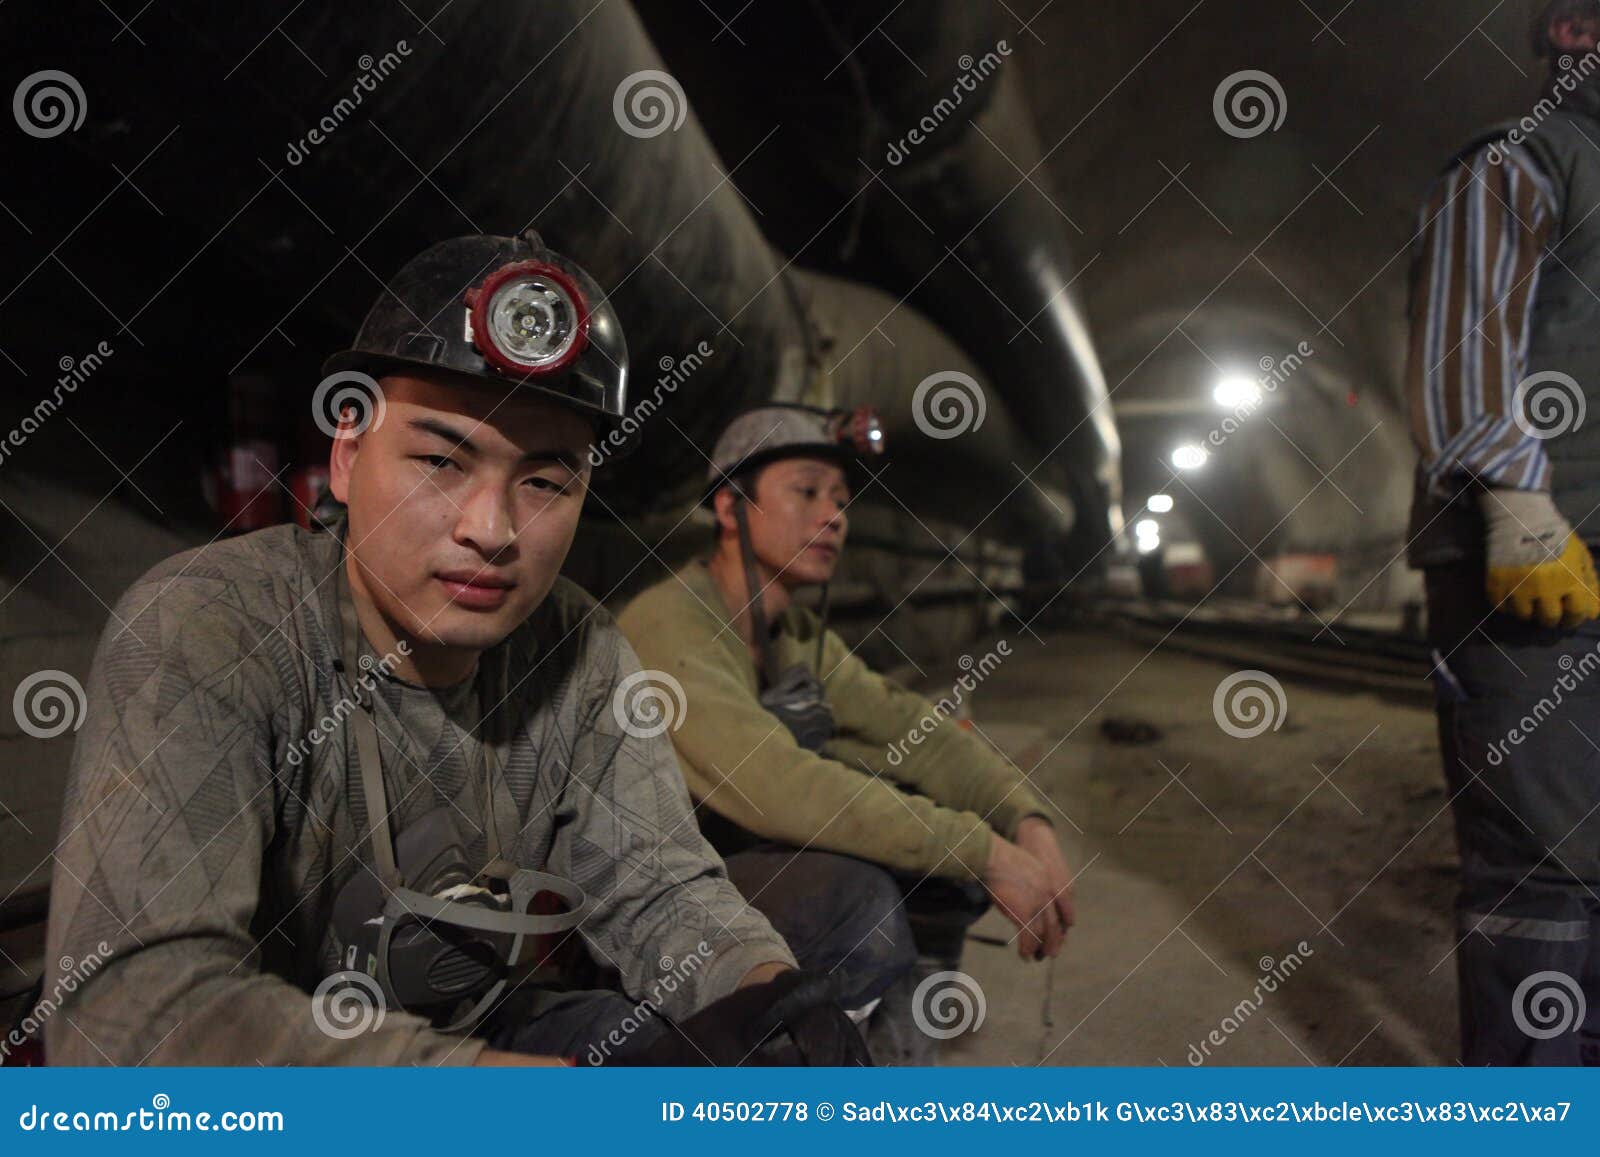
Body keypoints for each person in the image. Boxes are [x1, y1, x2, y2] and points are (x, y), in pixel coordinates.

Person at [41, 231, 866, 1067]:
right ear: (349, 451)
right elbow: (132, 1019)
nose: (491, 529)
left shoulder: (579, 653)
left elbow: (660, 887)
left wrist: (772, 1001)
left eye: (545, 480)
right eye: (440, 460)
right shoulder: (211, 624)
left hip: (480, 1041)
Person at [616, 403, 1076, 1063]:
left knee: (947, 867)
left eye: (840, 498)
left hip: (722, 862)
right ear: (729, 508)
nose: (834, 516)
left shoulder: (797, 635)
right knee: (857, 900)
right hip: (643, 906)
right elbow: (782, 786)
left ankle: (898, 1056)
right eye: (806, 491)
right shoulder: (670, 625)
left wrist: (1024, 821)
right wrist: (985, 850)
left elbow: (919, 731)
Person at [1405, 1, 1600, 1065]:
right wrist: (1517, 499)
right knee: (1544, 868)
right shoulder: (1520, 165)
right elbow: (1464, 342)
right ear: (1574, 33)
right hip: (1529, 560)